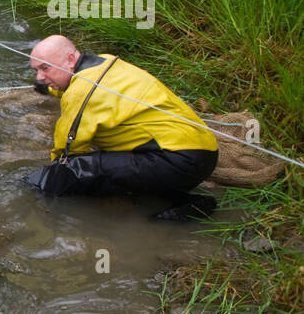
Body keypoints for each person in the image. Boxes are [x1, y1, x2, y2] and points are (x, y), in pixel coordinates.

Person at [25, 35, 218, 220]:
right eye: (36, 70)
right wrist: (51, 89)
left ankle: (34, 207)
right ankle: (180, 199)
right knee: (112, 165)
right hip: (204, 152)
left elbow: (67, 150)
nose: (40, 77)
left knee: (65, 172)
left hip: (178, 160)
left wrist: (51, 179)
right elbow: (86, 91)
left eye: (45, 68)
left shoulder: (80, 92)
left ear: (69, 59)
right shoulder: (106, 62)